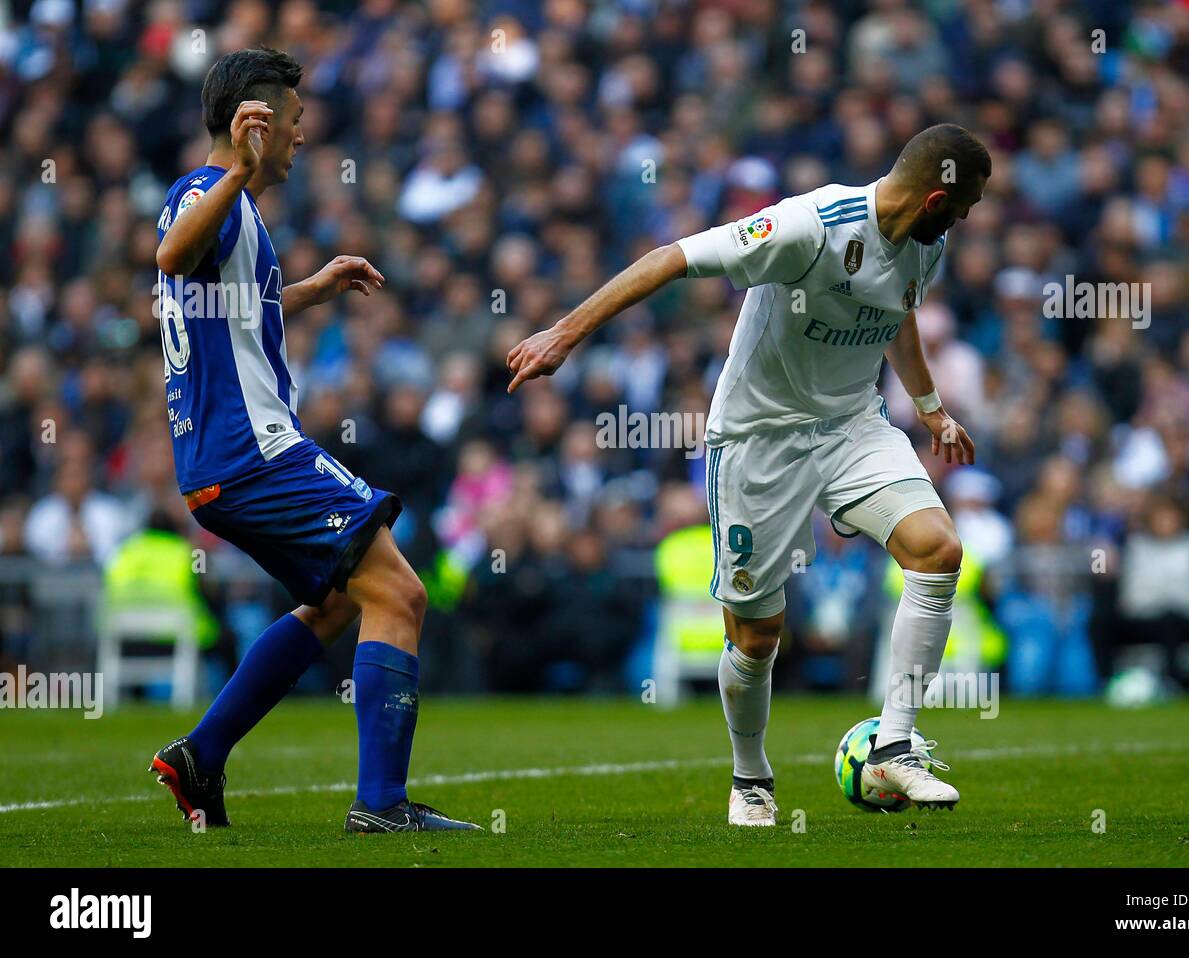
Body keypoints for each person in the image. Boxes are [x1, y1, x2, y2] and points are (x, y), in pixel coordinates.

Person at [508, 123, 988, 824]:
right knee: (758, 636)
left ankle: (893, 745)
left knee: (938, 551)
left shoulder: (925, 244)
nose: (966, 220)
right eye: (964, 207)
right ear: (936, 198)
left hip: (853, 425)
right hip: (759, 439)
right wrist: (565, 333)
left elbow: (898, 311)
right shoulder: (809, 226)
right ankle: (751, 776)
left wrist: (931, 408)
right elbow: (672, 257)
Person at [149, 48, 477, 833]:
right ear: (254, 124)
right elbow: (169, 258)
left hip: (219, 465)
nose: (301, 137)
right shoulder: (208, 193)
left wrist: (309, 290)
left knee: (333, 605)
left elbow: (226, 313)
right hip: (255, 453)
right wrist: (238, 171)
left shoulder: (222, 208)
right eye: (293, 122)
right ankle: (382, 805)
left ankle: (200, 755)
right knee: (400, 593)